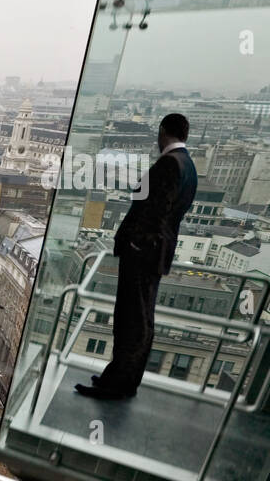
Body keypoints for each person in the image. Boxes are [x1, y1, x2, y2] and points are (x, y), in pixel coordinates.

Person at [76, 113, 197, 400]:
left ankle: (117, 385)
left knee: (131, 320)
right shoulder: (188, 165)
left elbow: (156, 210)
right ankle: (120, 377)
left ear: (163, 132)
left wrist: (136, 245)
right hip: (157, 253)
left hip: (144, 254)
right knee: (140, 319)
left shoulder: (169, 163)